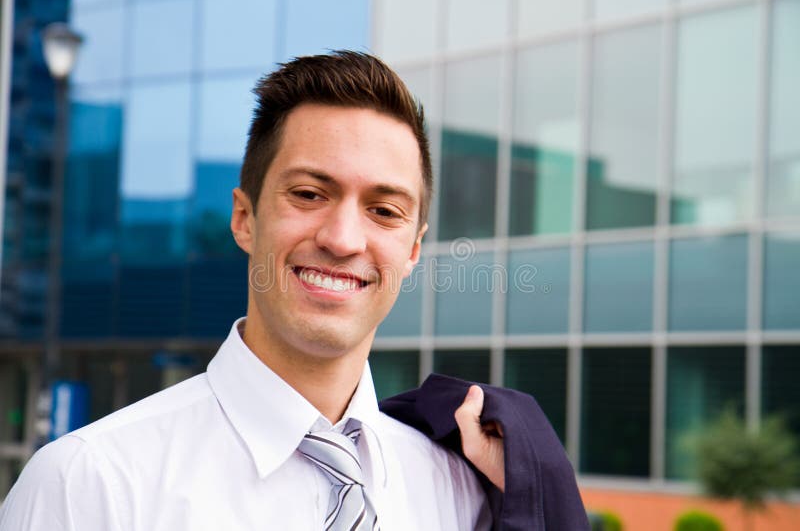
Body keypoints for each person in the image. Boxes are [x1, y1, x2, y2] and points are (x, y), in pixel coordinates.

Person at [0, 51, 505, 530]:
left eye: (384, 211)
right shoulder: (89, 486)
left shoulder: (459, 494)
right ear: (244, 218)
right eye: (309, 194)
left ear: (413, 251)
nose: (343, 239)